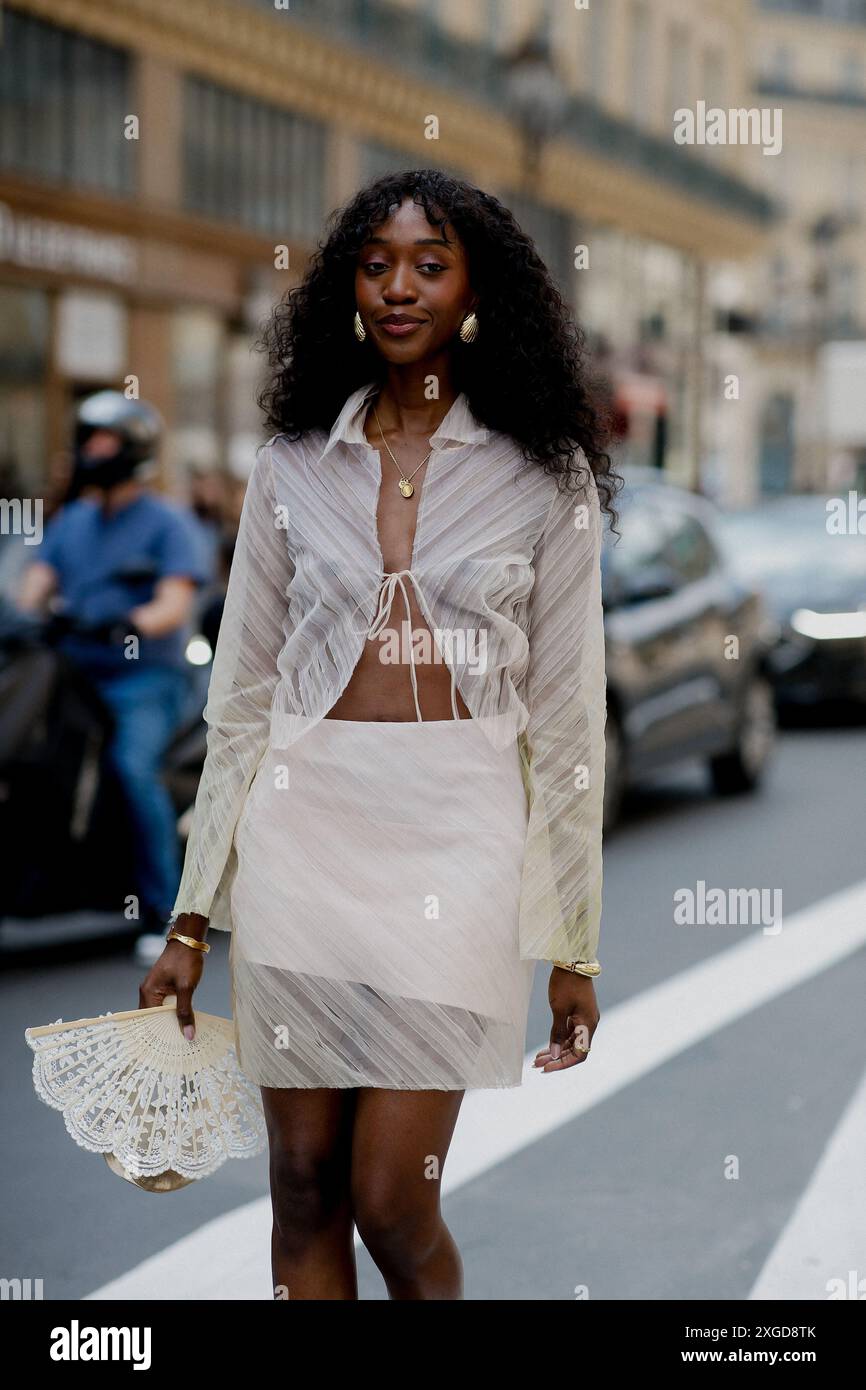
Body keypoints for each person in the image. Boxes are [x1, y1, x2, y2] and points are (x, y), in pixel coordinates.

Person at [141, 169, 621, 1300]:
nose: (399, 286)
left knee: (393, 1198)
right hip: (302, 845)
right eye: (375, 262)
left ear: (473, 289)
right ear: (347, 288)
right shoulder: (288, 467)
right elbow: (244, 701)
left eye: (429, 262)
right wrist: (192, 917)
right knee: (304, 1185)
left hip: (454, 850)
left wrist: (575, 945)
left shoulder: (542, 477)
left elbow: (562, 721)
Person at [17, 392, 211, 961]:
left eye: (104, 441)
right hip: (67, 674)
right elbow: (33, 587)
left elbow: (174, 604)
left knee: (131, 767)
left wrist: (131, 621)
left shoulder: (168, 523)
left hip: (144, 680)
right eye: (87, 439)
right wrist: (23, 616)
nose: (91, 450)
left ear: (133, 450)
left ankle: (168, 915)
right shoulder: (72, 520)